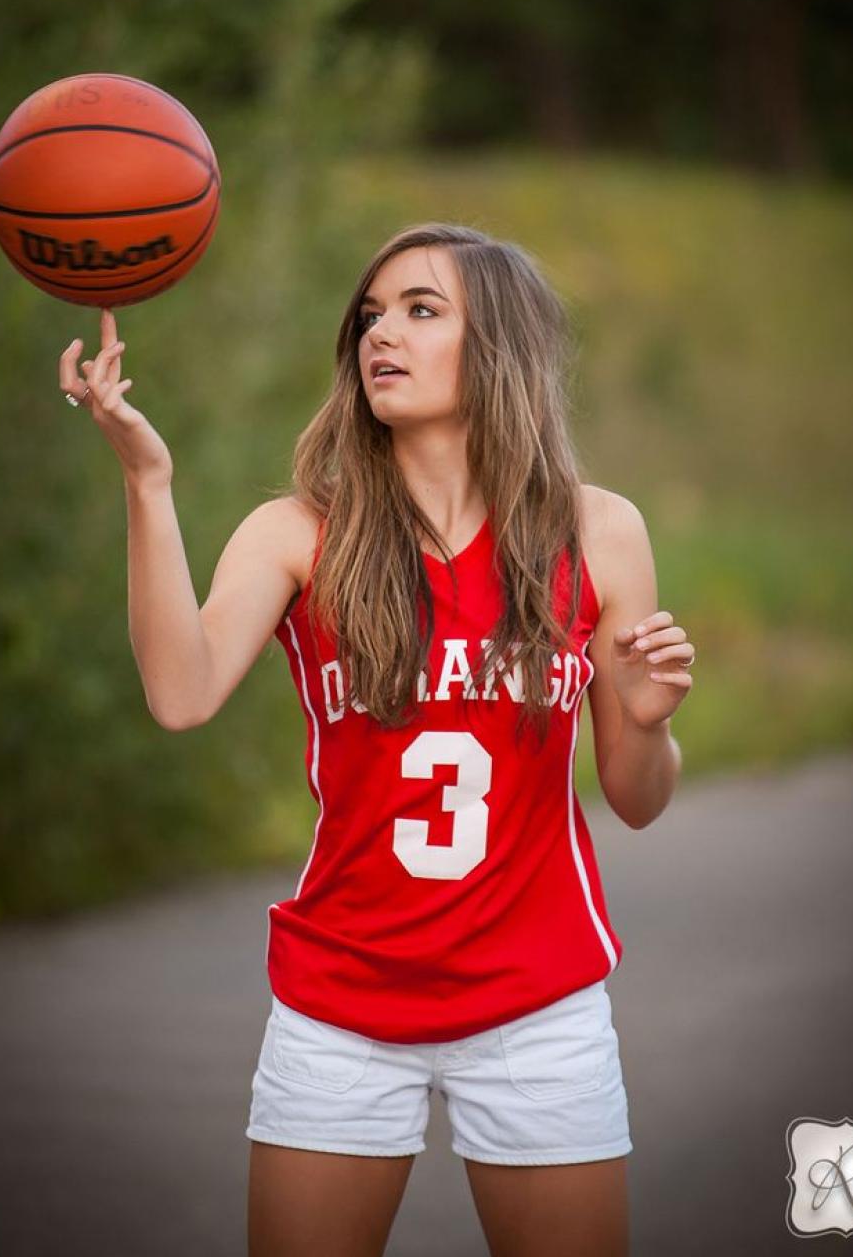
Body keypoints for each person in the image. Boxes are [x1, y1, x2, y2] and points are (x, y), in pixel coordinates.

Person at [58, 221, 695, 1257]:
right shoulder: (300, 532)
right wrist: (148, 483)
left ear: (499, 347)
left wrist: (650, 723)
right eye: (368, 315)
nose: (378, 334)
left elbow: (634, 795)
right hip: (340, 1005)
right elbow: (180, 694)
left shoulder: (597, 531)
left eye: (420, 309)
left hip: (538, 1004)